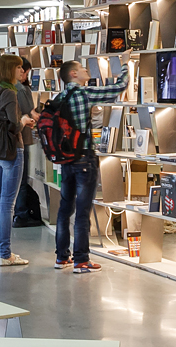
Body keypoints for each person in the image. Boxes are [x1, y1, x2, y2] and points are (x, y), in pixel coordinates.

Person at [50, 58, 129, 273]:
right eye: (82, 68)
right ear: (73, 74)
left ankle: (61, 257)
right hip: (84, 158)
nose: (86, 70)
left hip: (66, 160)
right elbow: (117, 88)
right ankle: (81, 260)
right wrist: (124, 65)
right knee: (83, 211)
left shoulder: (59, 97)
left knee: (65, 209)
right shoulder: (83, 94)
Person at [0, 55, 36, 266]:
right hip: (12, 150)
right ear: (10, 69)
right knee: (7, 203)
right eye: (19, 67)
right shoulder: (11, 93)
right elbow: (14, 126)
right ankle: (5, 254)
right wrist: (24, 120)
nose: (22, 71)